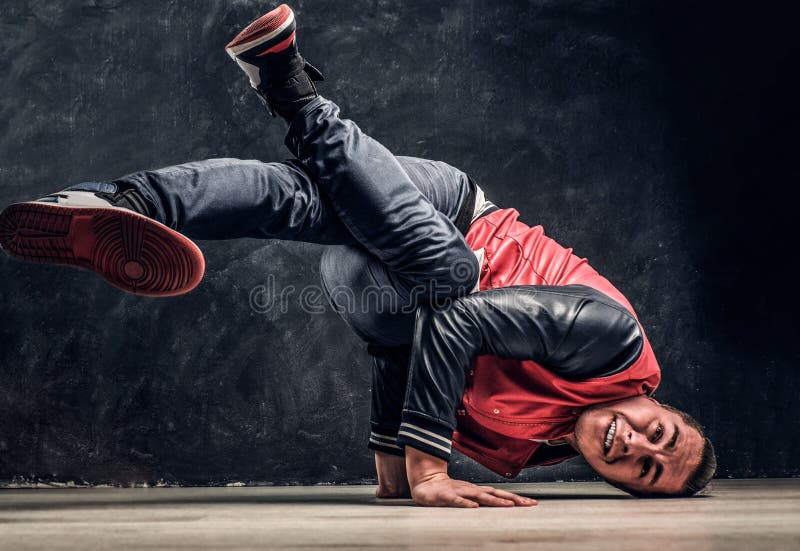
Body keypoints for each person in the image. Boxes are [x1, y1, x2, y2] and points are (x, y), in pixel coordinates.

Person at [0, 4, 716, 507]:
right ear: (662, 404)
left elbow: (404, 354)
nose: (638, 447)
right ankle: (291, 94)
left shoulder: (532, 446)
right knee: (448, 275)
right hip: (448, 216)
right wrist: (429, 469)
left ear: (622, 485)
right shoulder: (611, 341)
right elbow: (458, 324)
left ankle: (116, 198)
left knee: (301, 203)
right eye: (663, 437)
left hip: (379, 292)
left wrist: (392, 473)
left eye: (646, 473)